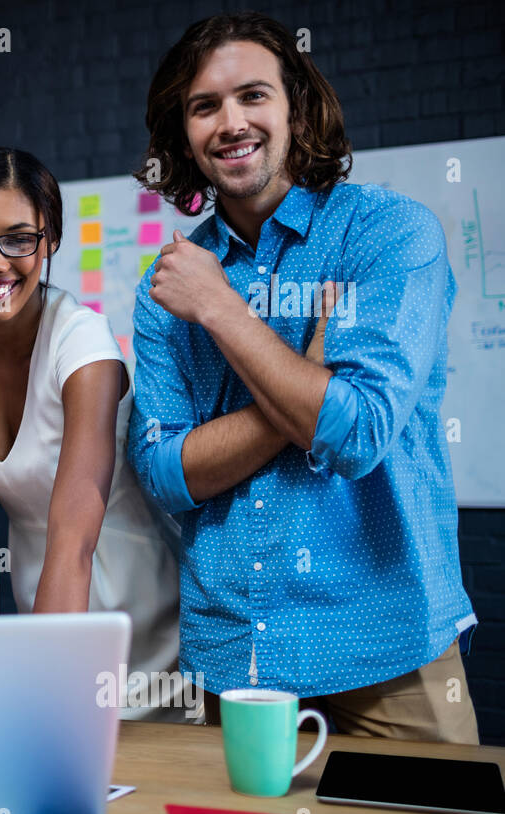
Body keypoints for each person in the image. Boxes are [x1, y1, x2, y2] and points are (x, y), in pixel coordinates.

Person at [127, 12, 478, 743]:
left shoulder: (390, 234)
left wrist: (223, 311)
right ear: (182, 134)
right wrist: (305, 383)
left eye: (253, 95)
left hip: (389, 652)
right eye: (204, 106)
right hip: (233, 658)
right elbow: (164, 473)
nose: (231, 122)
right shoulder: (168, 287)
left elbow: (355, 433)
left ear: (297, 108)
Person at [0, 147, 190, 721]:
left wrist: (42, 687)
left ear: (51, 240)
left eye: (18, 239)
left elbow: (73, 533)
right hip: (38, 596)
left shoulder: (82, 341)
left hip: (131, 610)